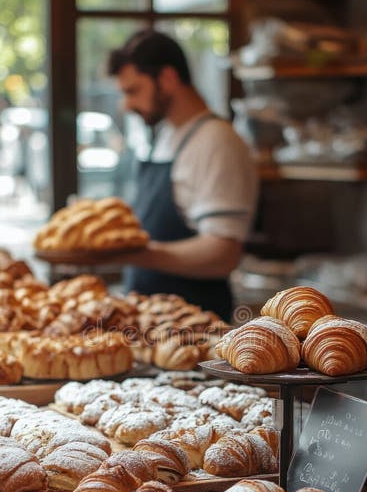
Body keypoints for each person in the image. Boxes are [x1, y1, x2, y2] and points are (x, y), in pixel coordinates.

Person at [107, 29, 258, 322]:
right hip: (150, 326)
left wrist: (133, 254)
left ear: (167, 79)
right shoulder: (165, 136)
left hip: (195, 334)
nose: (126, 105)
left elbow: (223, 253)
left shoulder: (217, 141)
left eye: (133, 90)